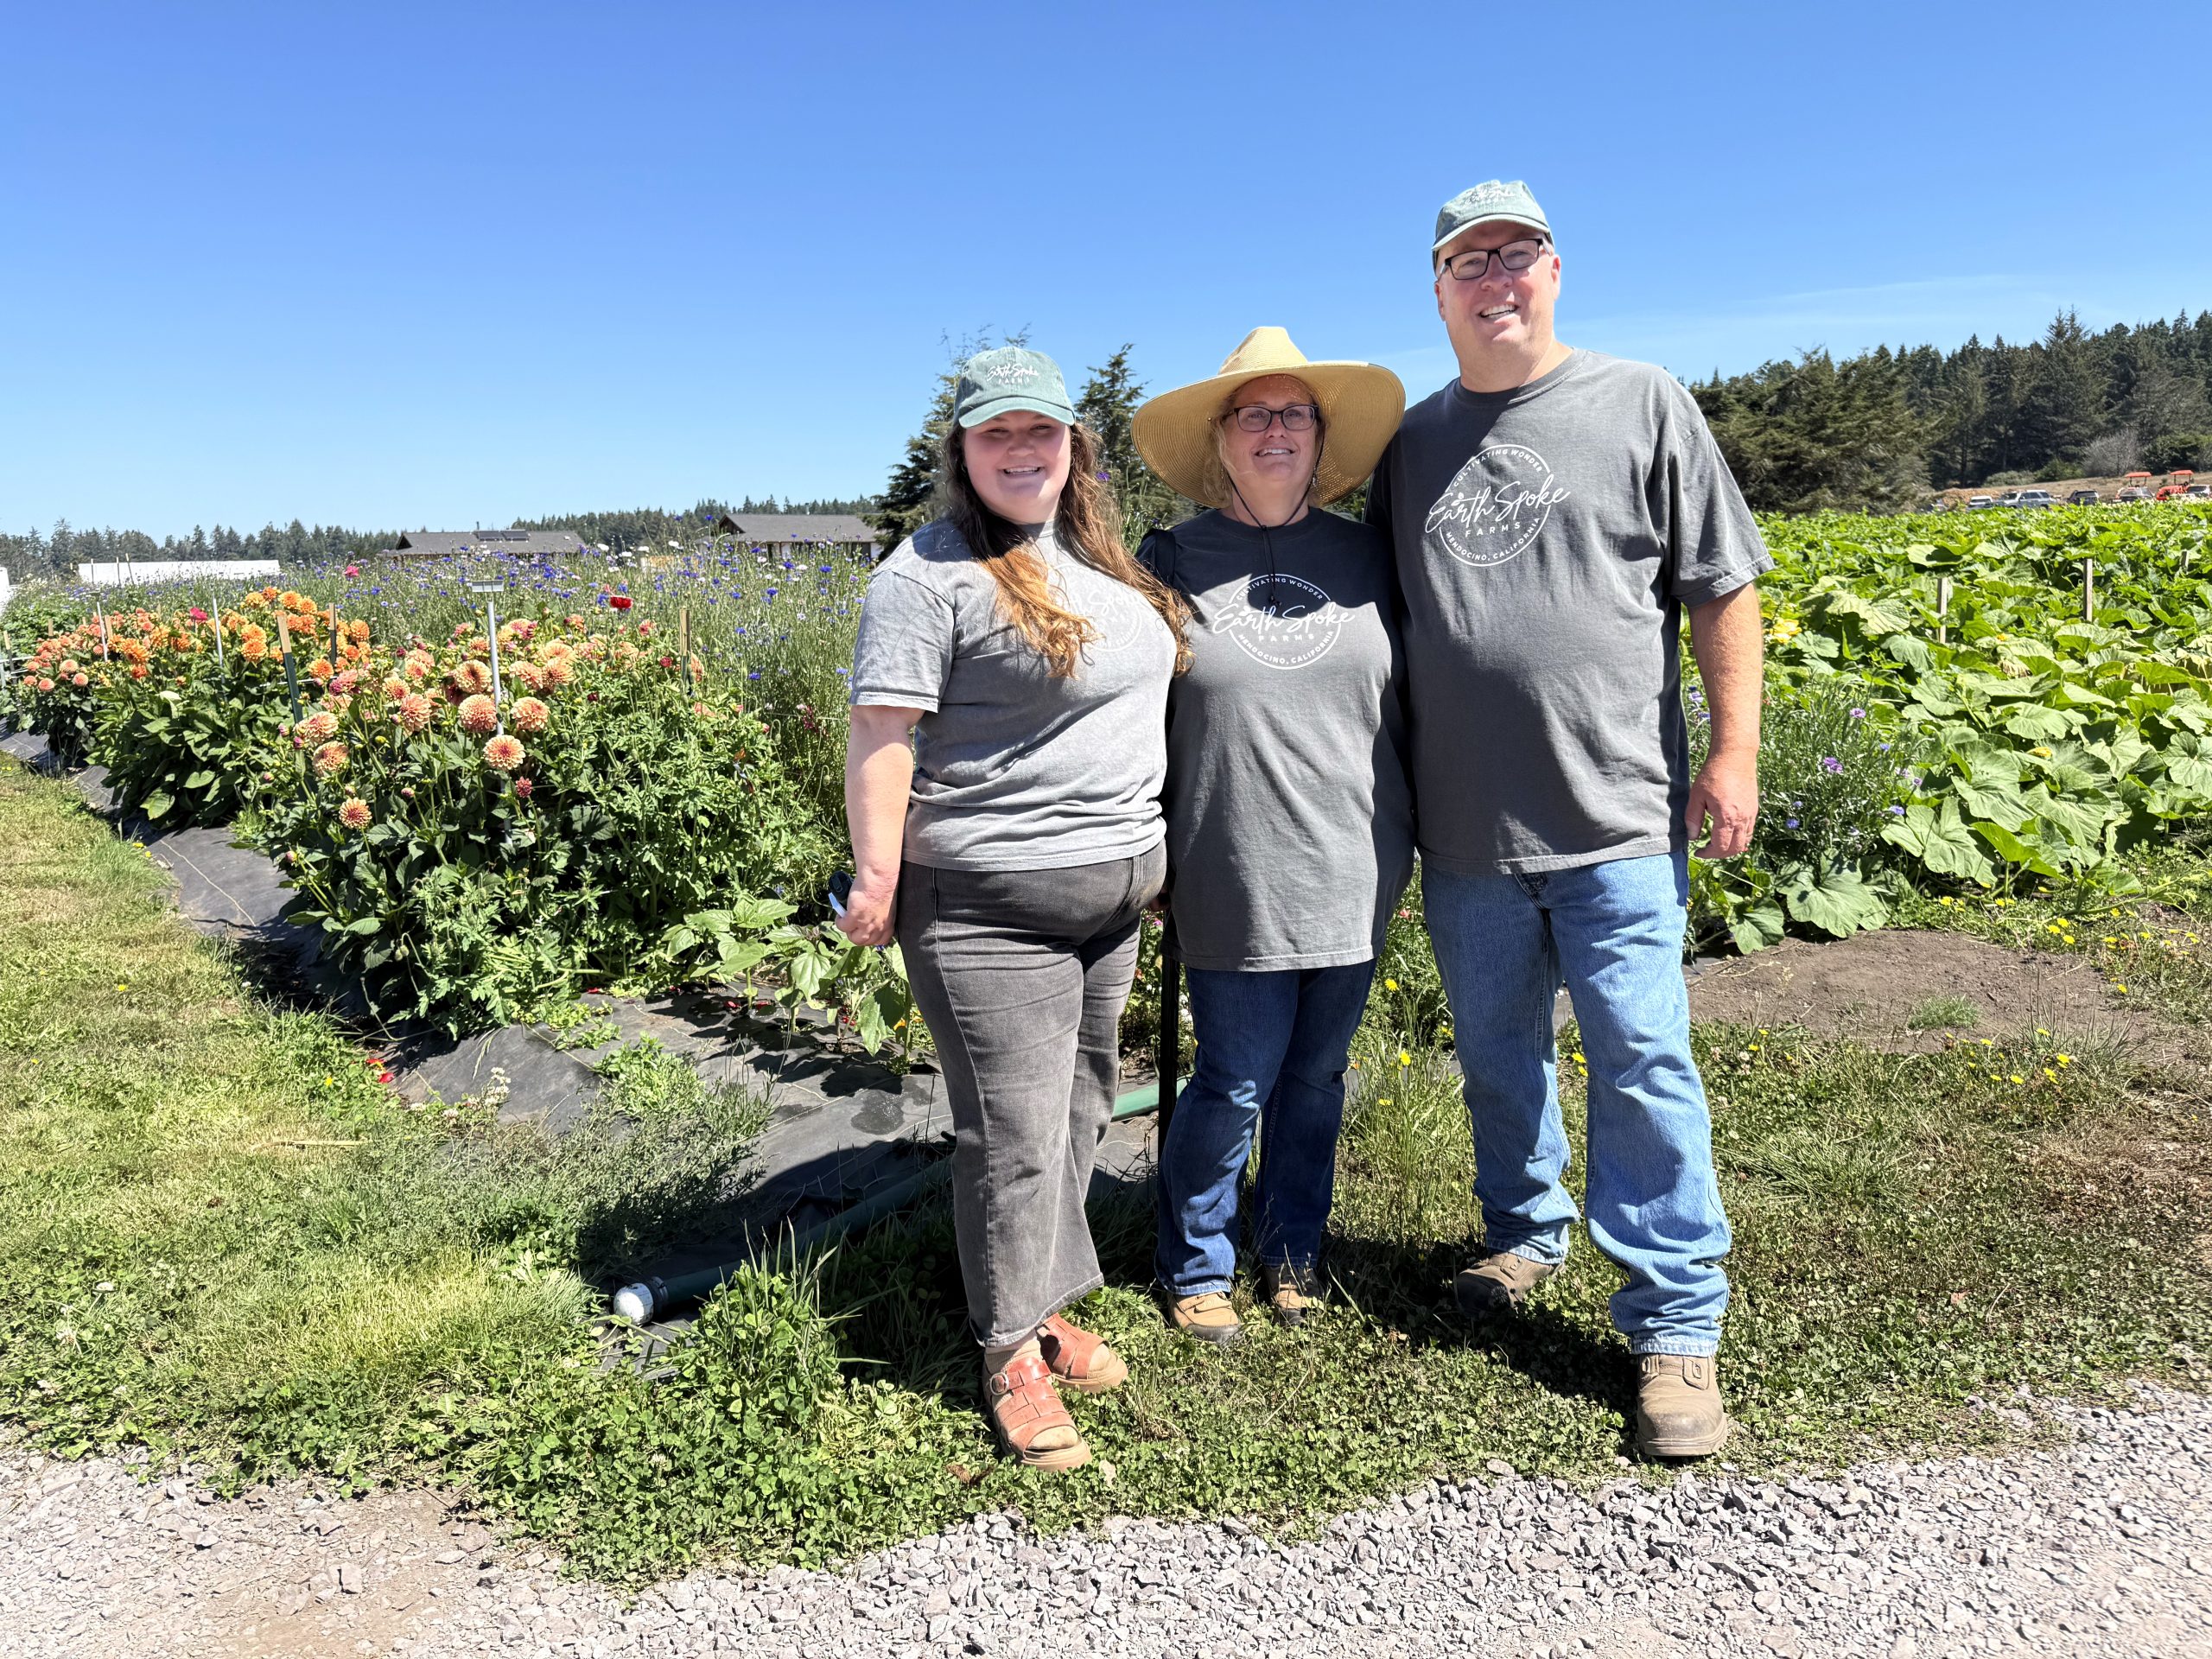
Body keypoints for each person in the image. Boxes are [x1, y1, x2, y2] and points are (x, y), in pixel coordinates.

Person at [1365, 181, 1769, 1459]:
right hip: (1469, 832)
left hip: (1617, 818)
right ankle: (1523, 1233)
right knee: (1497, 1053)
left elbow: (1720, 587)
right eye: (1466, 260)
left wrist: (1736, 752)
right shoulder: (1413, 447)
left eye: (1516, 254)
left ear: (1555, 272)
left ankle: (1675, 1325)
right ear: (1438, 292)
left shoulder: (1642, 402)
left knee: (1643, 1061)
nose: (1495, 279)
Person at [837, 346, 1191, 1472]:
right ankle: (1006, 1355)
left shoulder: (1094, 557)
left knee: (1081, 1109)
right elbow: (882, 736)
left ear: (1074, 443)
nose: (1023, 450)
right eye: (997, 434)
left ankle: (1041, 1301)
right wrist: (878, 878)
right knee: (1015, 1134)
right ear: (964, 451)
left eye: (1042, 430)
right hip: (989, 904)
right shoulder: (926, 576)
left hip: (1111, 897)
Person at [1128, 328, 1412, 1344]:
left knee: (1315, 1078)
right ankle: (1195, 1261)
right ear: (1223, 438)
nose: (1276, 429)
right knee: (1235, 1077)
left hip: (1355, 856)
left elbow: (1416, 701)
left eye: (1294, 413)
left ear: (1318, 437)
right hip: (1227, 858)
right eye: (1255, 413)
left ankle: (1293, 1251)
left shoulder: (1369, 557)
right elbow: (1133, 715)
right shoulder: (1166, 561)